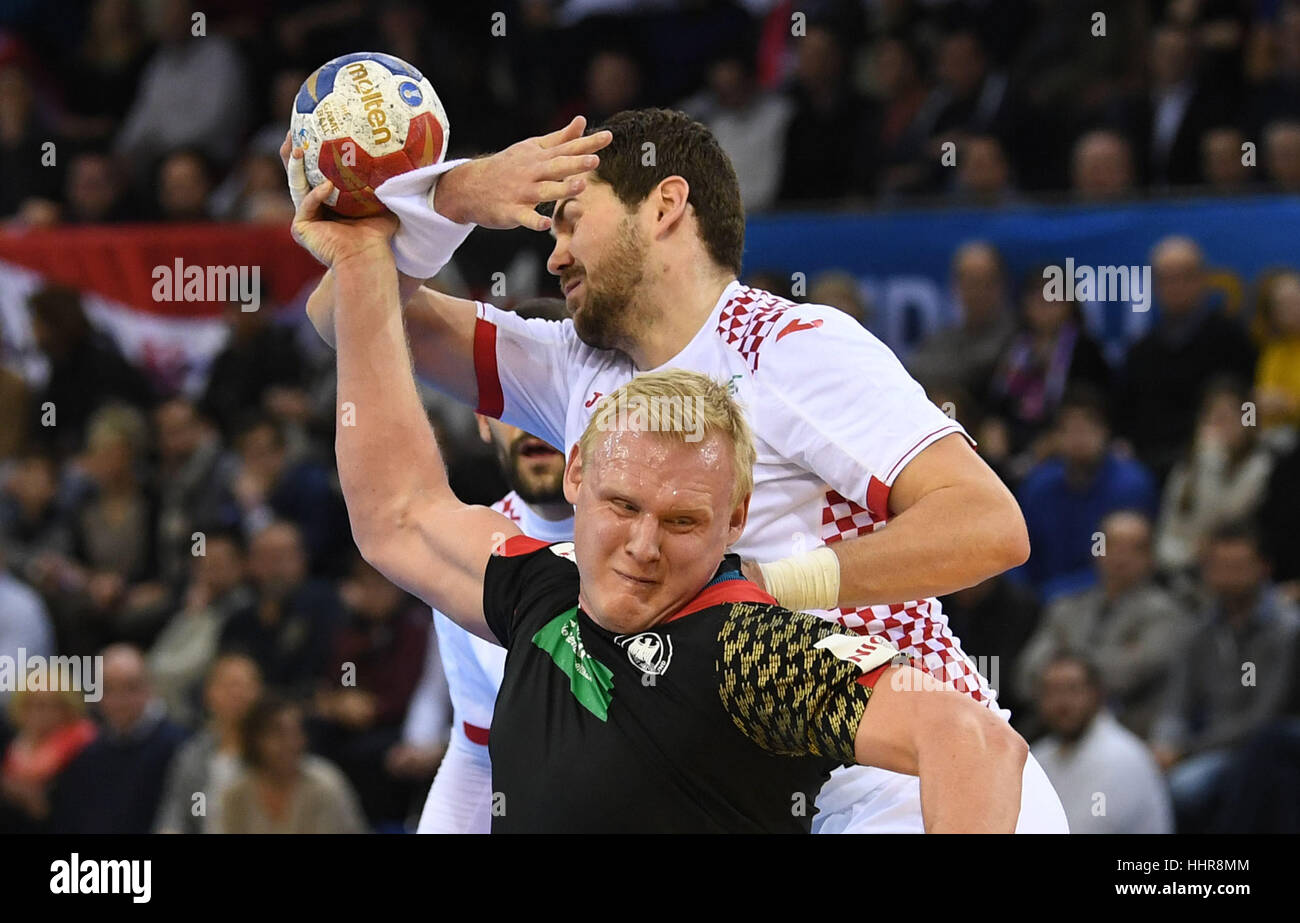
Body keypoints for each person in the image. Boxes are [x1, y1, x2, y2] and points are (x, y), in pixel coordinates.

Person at [288, 108, 1063, 833]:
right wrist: (453, 196)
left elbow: (988, 525)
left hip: (918, 783)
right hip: (769, 785)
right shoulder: (574, 364)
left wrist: (762, 585)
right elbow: (347, 314)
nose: (552, 253)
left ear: (664, 205)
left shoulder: (792, 344)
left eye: (570, 220)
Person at [419, 300, 575, 835]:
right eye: (512, 399)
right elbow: (476, 748)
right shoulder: (464, 552)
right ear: (483, 421)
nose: (531, 419)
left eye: (548, 395)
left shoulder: (668, 537)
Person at [1150, 523, 1300, 832]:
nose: (1228, 577)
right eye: (1219, 567)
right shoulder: (1198, 629)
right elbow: (1176, 702)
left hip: (1256, 747)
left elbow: (1265, 715)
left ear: (1263, 568)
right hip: (1204, 743)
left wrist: (1187, 749)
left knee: (1184, 790)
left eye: (1238, 567)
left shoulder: (1286, 631)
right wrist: (1165, 742)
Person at [1016, 510, 1184, 738]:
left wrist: (1061, 672)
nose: (1121, 556)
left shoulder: (1166, 614)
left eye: (1134, 548)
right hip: (1052, 727)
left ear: (1150, 557)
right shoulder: (1065, 607)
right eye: (1112, 545)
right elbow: (1028, 673)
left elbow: (1128, 676)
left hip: (1130, 728)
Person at [1014, 387, 1158, 601]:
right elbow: (1018, 549)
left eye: (1087, 429)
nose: (1078, 439)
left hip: (1109, 594)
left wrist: (1056, 593)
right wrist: (1022, 592)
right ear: (1056, 437)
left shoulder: (1130, 485)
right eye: (1070, 430)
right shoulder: (1038, 486)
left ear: (1105, 432)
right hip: (1039, 598)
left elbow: (1121, 559)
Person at [48, 644, 188, 833]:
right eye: (108, 689)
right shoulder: (87, 754)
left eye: (130, 688)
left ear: (149, 687)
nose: (119, 699)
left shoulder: (180, 747)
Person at [1031, 654, 1173, 834]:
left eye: (1073, 689)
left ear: (1097, 693)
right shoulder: (1039, 756)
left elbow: (1089, 829)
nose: (1062, 702)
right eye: (1052, 691)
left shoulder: (1120, 757)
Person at [215, 694, 365, 835]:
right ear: (255, 740)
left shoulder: (325, 785)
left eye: (296, 732)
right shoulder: (236, 796)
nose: (291, 743)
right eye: (278, 734)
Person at [154, 653, 262, 834]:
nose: (236, 694)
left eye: (244, 686)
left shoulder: (271, 753)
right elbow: (181, 814)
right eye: (229, 686)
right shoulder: (193, 755)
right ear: (209, 694)